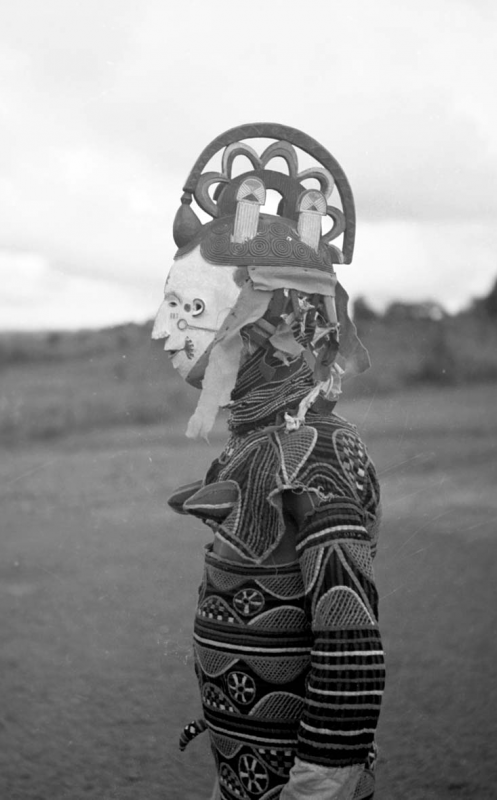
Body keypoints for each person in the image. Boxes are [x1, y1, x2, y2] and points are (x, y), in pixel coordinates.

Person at [152, 123, 385, 800]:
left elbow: (349, 637)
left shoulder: (320, 455)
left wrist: (320, 783)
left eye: (190, 308)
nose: (166, 330)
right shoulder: (260, 439)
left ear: (267, 325)